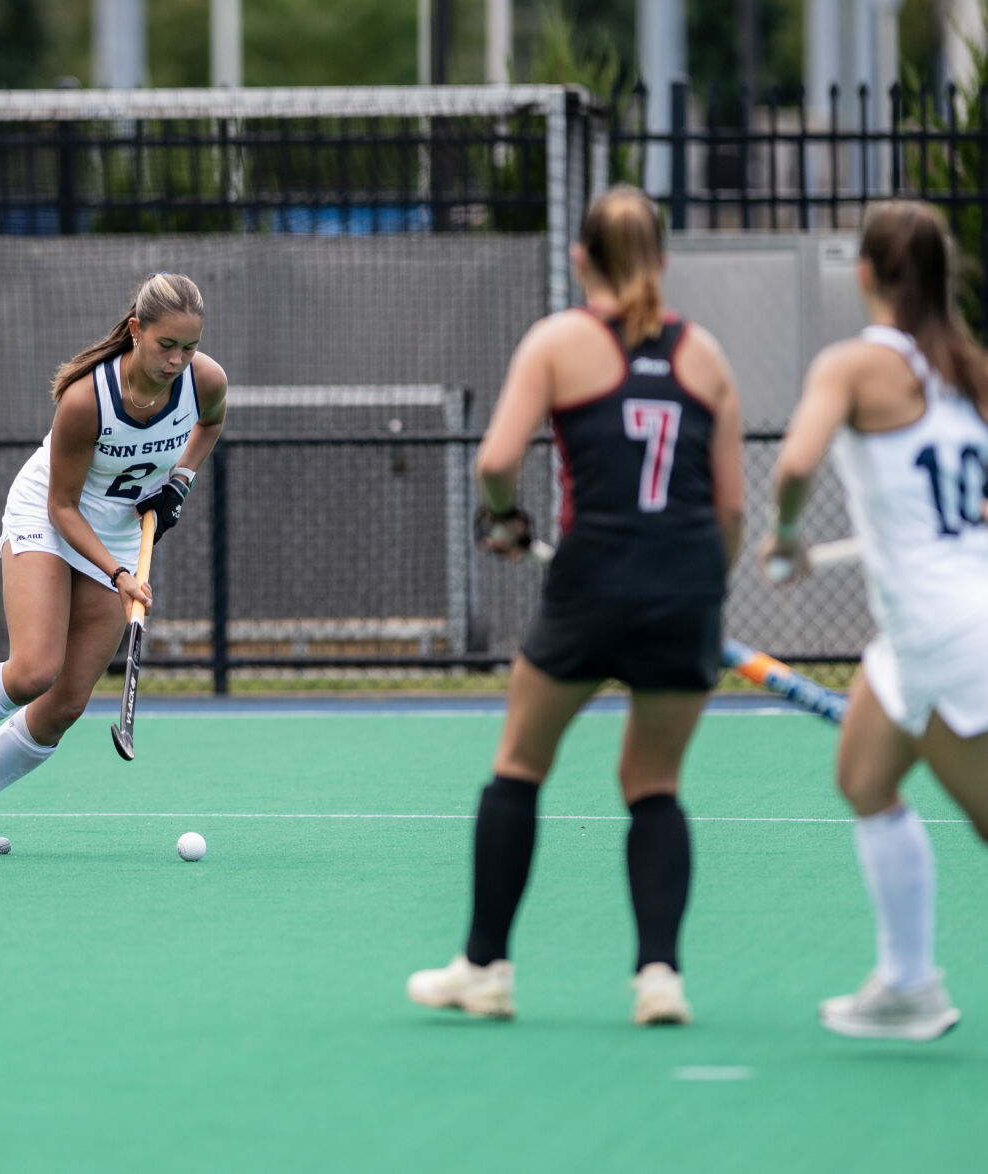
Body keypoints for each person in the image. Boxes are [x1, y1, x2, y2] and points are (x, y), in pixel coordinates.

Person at [407, 186, 745, 1024]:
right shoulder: (705, 355)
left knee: (520, 764)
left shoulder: (559, 340)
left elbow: (495, 461)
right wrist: (704, 589)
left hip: (591, 579)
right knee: (654, 783)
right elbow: (731, 509)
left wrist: (505, 521)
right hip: (685, 585)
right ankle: (659, 979)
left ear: (579, 258)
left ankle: (484, 968)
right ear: (661, 260)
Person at [0, 272, 227, 853]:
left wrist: (180, 481)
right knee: (34, 670)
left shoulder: (204, 381)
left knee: (66, 703)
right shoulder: (86, 400)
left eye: (189, 347)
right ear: (136, 330)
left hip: (118, 533)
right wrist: (118, 574)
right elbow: (62, 507)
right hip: (50, 518)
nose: (178, 361)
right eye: (166, 346)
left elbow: (211, 422)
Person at [762, 201, 988, 1041]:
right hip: (922, 633)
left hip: (944, 633)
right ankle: (906, 985)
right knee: (863, 779)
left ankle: (906, 986)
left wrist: (785, 535)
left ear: (863, 273)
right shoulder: (968, 369)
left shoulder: (853, 365)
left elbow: (794, 462)